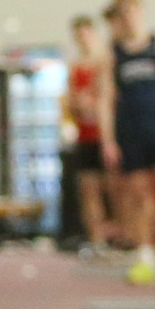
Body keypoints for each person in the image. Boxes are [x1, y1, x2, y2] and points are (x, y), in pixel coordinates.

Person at [97, 0, 155, 285]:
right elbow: (104, 99)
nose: (127, 19)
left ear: (140, 11)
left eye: (131, 12)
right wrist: (107, 140)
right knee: (139, 195)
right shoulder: (111, 53)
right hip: (130, 131)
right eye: (120, 15)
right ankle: (144, 253)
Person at [62, 15, 113, 256]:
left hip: (108, 136)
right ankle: (97, 240)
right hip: (86, 137)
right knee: (89, 189)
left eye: (86, 34)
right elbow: (69, 102)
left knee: (115, 188)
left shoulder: (106, 63)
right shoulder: (75, 68)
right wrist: (77, 105)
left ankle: (124, 236)